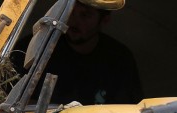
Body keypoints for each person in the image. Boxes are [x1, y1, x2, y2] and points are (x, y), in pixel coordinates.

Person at [14, 0, 142, 105]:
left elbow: (127, 111)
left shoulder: (119, 58)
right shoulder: (35, 46)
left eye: (85, 15)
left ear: (104, 21)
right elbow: (11, 102)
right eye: (71, 12)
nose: (74, 21)